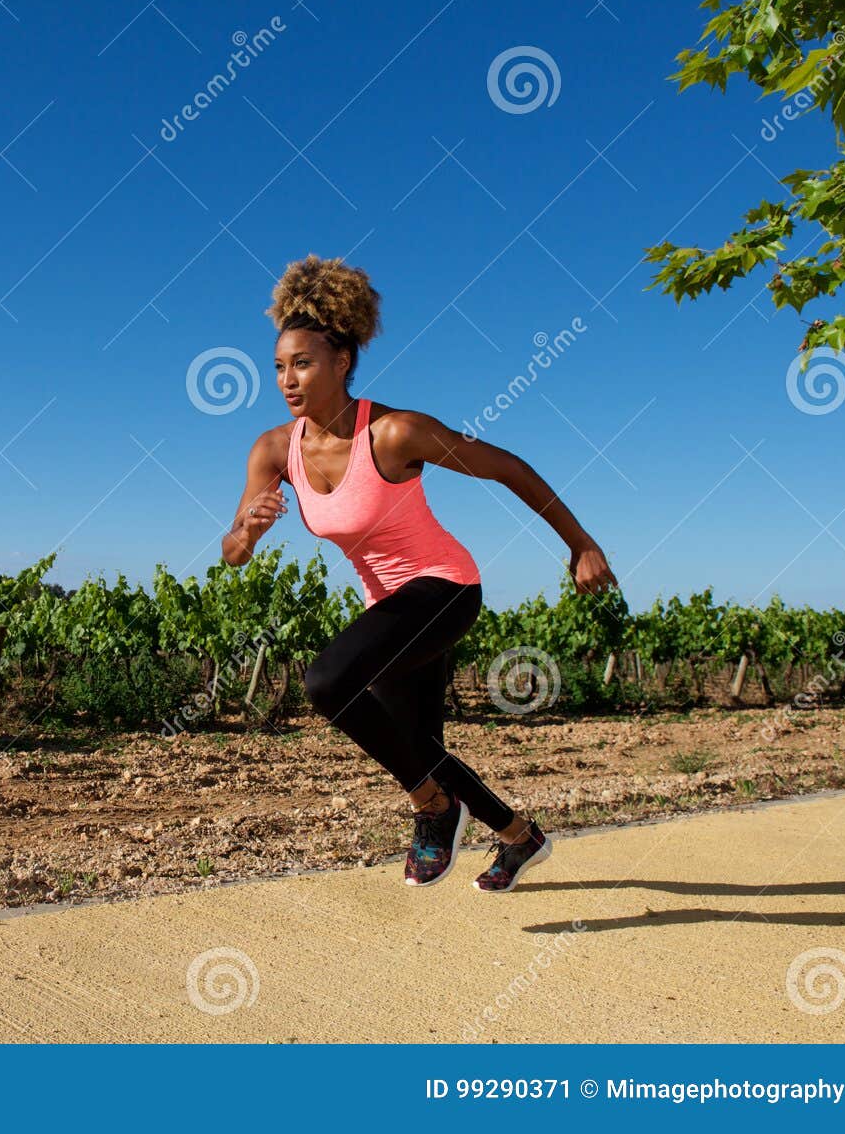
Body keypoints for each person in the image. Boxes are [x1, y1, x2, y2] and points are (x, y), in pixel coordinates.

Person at [222, 253, 618, 891]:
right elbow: (233, 553)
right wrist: (247, 530)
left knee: (327, 682)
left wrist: (580, 544)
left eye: (303, 364)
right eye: (278, 367)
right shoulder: (275, 450)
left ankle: (433, 808)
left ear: (341, 362)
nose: (287, 380)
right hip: (389, 606)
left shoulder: (395, 432)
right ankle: (519, 835)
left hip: (444, 588)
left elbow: (507, 466)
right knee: (417, 747)